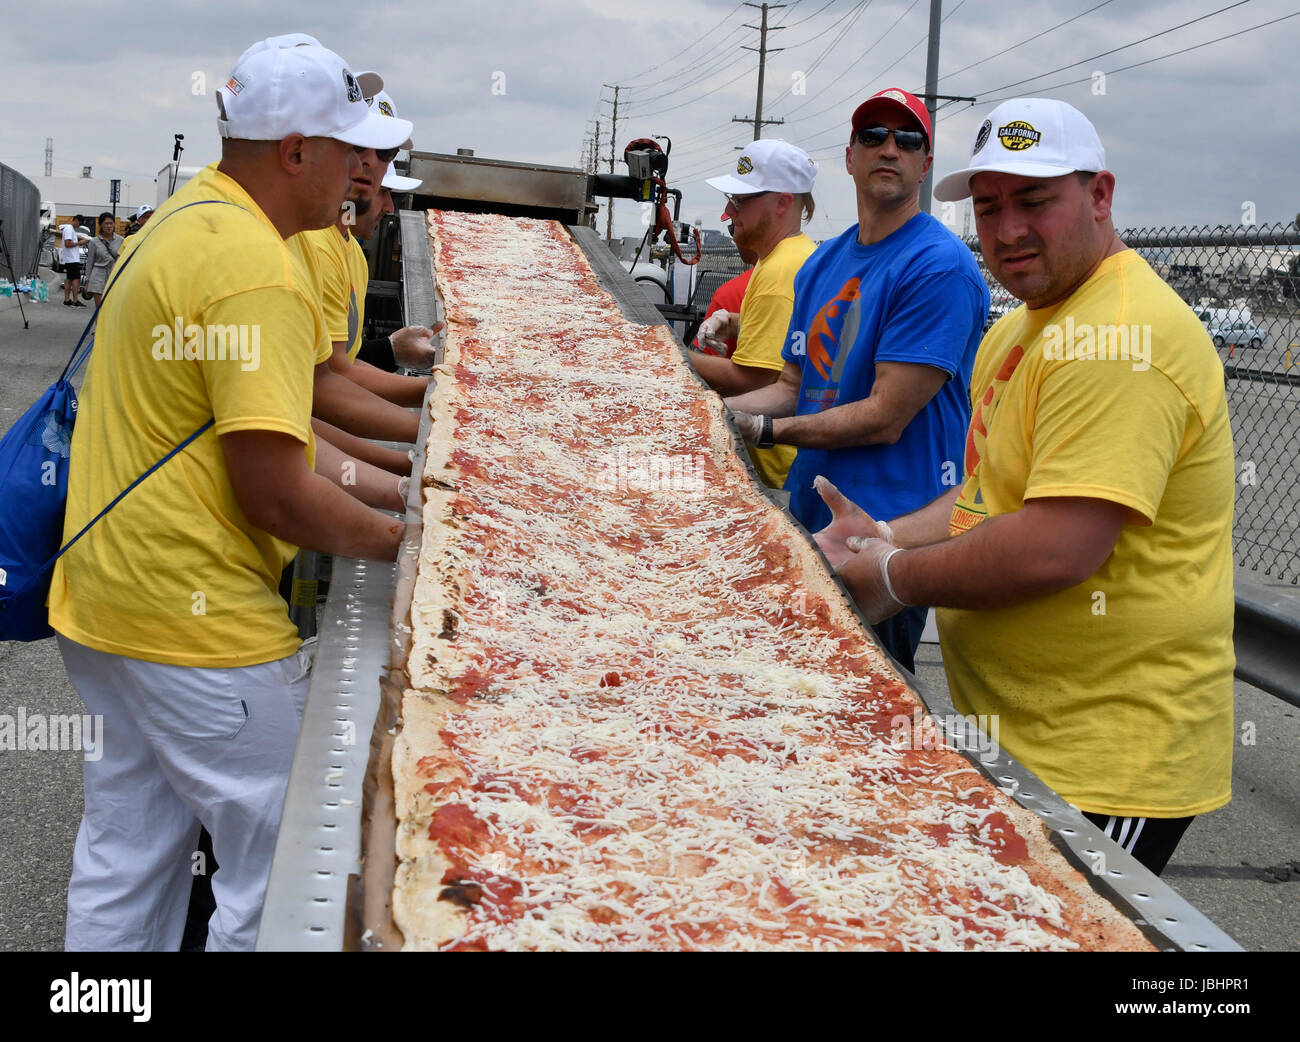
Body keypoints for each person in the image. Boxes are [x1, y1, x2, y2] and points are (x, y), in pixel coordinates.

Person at [47, 37, 414, 951]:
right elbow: (277, 495)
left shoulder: (184, 218)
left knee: (127, 858)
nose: (360, 178)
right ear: (296, 151)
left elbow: (268, 427)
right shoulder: (257, 269)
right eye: (346, 150)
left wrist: (397, 487)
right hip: (195, 624)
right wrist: (416, 546)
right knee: (280, 878)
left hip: (107, 598)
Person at [814, 98, 1234, 875]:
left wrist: (891, 579)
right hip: (1005, 732)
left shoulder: (1124, 336)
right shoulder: (1019, 327)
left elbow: (1053, 547)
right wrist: (889, 535)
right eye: (988, 207)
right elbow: (988, 498)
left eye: (1035, 200)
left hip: (1103, 760)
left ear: (1100, 196)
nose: (1007, 231)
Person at [724, 88, 989, 670]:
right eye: (873, 136)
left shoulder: (937, 266)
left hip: (885, 534)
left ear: (925, 163)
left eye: (907, 139)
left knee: (860, 702)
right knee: (786, 690)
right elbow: (792, 385)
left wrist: (761, 429)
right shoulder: (823, 262)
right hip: (809, 514)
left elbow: (886, 416)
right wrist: (715, 414)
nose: (889, 148)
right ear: (849, 157)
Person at [289, 84, 434, 408]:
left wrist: (392, 349)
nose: (389, 209)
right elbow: (323, 384)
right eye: (385, 193)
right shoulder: (314, 245)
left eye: (384, 154)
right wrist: (443, 399)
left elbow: (341, 361)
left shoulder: (351, 251)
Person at [690, 139, 819, 489]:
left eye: (740, 201)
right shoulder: (790, 256)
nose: (730, 213)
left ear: (782, 202)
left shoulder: (779, 271)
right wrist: (734, 323)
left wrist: (673, 358)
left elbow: (757, 380)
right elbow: (787, 339)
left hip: (776, 475)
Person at [82, 212, 123, 307]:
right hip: (98, 277)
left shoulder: (121, 240)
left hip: (113, 276)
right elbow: (89, 262)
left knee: (112, 308)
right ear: (100, 225)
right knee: (100, 309)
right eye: (106, 223)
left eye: (111, 223)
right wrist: (87, 282)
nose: (109, 226)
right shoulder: (94, 242)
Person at [59, 215, 90, 306]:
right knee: (76, 279)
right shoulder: (69, 229)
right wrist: (80, 242)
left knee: (69, 279)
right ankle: (75, 300)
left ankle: (67, 299)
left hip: (70, 258)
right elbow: (67, 244)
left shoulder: (70, 229)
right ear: (76, 220)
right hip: (71, 258)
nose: (79, 225)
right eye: (79, 223)